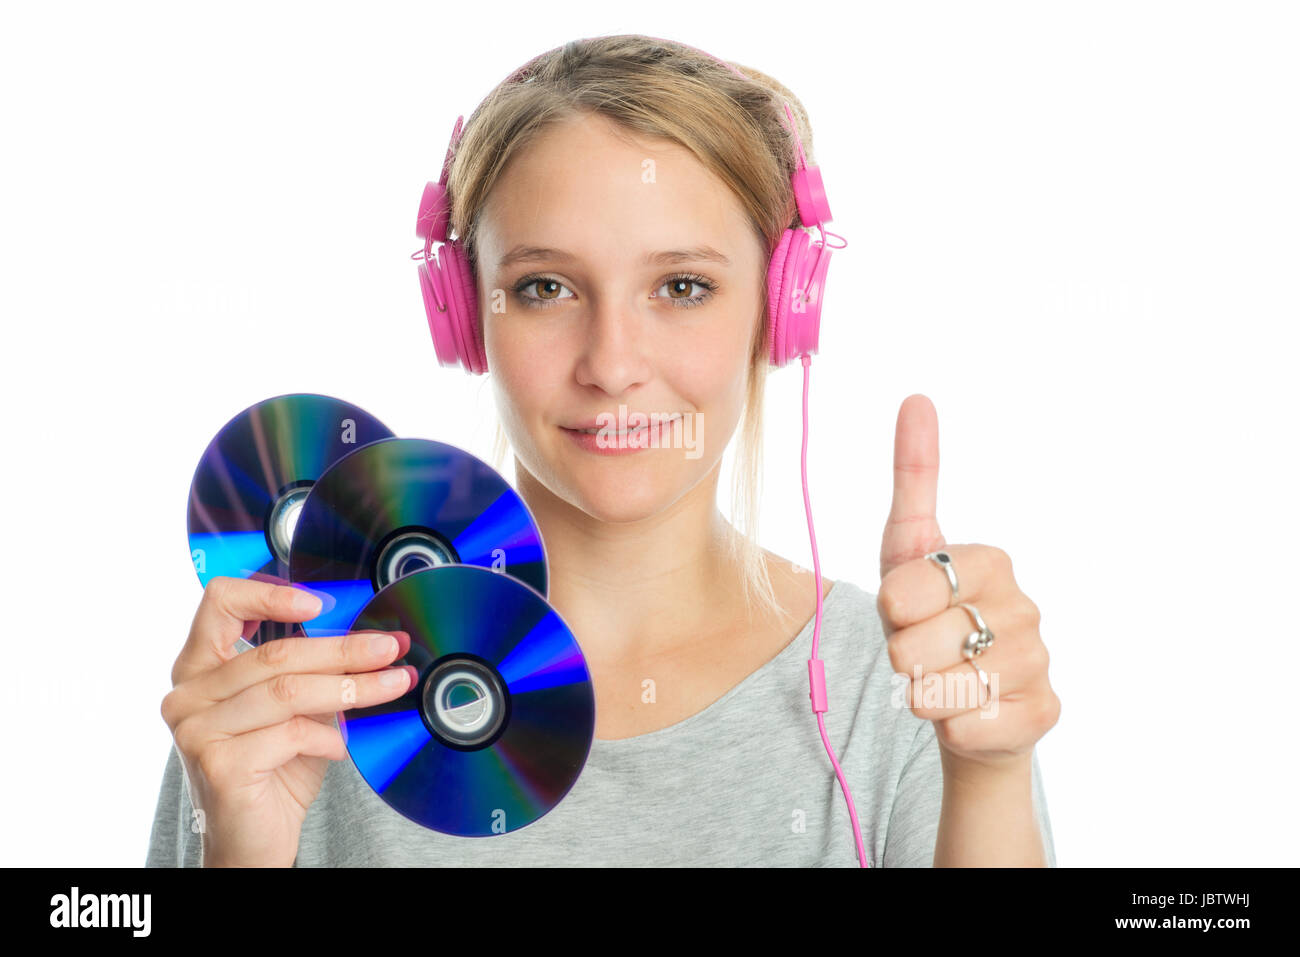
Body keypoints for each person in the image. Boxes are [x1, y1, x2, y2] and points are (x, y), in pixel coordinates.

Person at [148, 34, 1060, 867]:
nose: (613, 364)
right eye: (544, 286)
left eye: (683, 285)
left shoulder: (910, 671)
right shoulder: (303, 679)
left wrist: (989, 773)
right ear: (465, 318)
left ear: (779, 311)